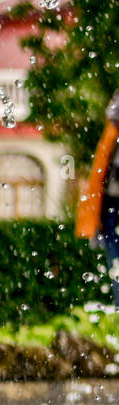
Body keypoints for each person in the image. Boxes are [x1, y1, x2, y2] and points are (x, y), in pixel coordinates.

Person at [78, 90, 119, 307]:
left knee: (116, 265)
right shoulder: (114, 125)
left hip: (111, 205)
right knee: (116, 266)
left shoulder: (114, 121)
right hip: (112, 206)